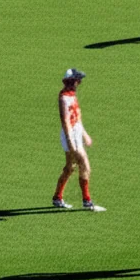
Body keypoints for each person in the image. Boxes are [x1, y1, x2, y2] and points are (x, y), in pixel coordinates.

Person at [52, 69, 106, 212]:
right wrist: (71, 141)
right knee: (84, 165)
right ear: (71, 81)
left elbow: (76, 118)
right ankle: (87, 201)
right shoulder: (64, 97)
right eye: (77, 80)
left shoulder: (72, 95)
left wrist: (84, 134)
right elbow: (66, 121)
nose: (79, 82)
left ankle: (57, 197)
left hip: (75, 134)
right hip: (69, 135)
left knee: (70, 167)